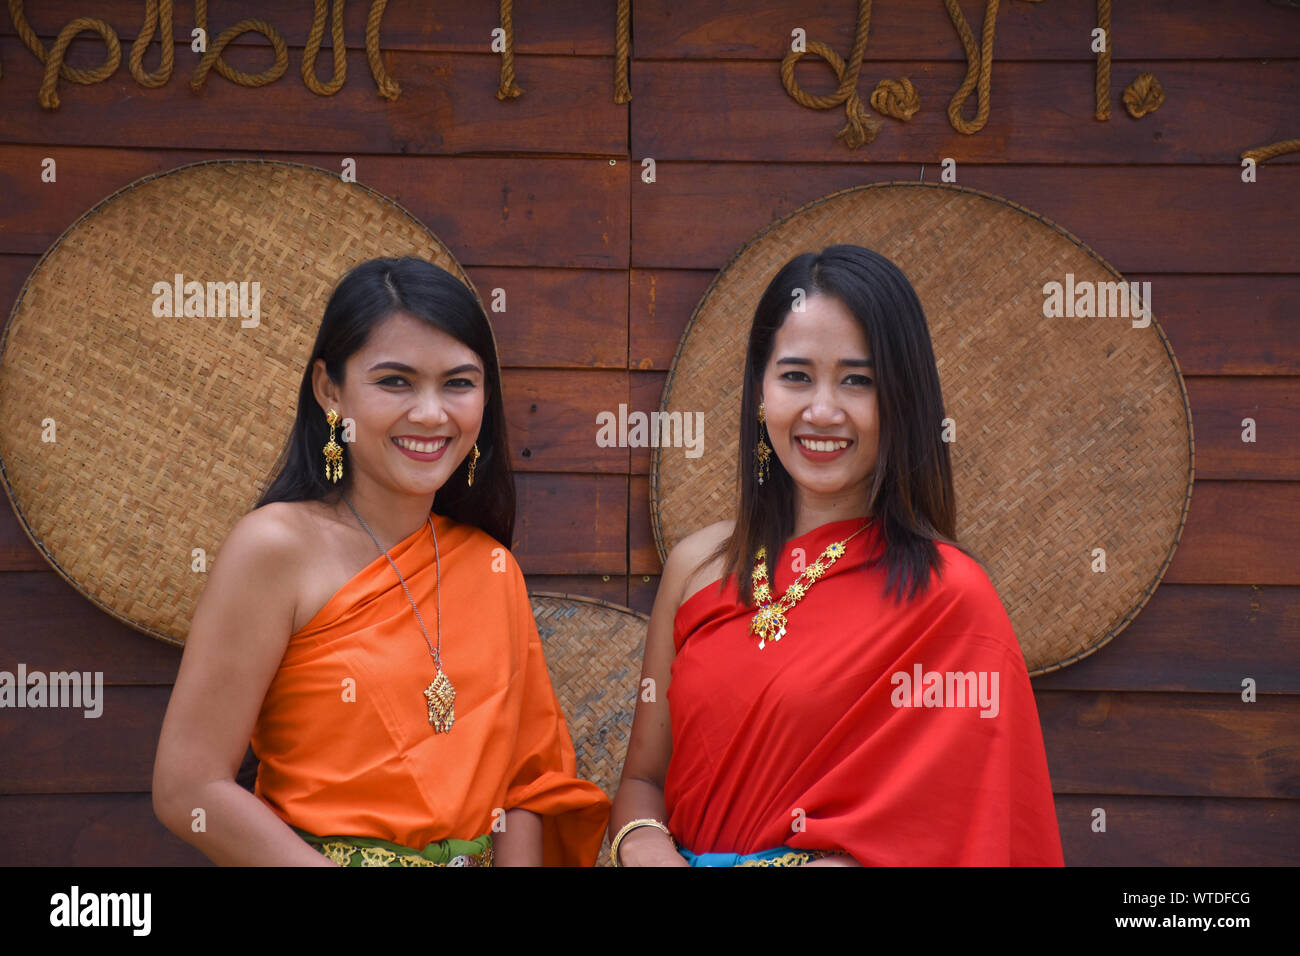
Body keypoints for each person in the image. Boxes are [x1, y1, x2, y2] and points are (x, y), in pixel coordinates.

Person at [609, 245, 1065, 866]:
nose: (822, 411)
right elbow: (642, 784)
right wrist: (643, 846)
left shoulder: (951, 598)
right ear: (760, 390)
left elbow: (963, 823)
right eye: (796, 375)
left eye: (858, 380)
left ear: (902, 399)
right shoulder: (696, 569)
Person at [153, 256, 610, 866]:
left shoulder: (490, 567)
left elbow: (529, 783)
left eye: (458, 382)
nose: (430, 413)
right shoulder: (276, 549)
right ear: (329, 391)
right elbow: (189, 789)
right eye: (395, 381)